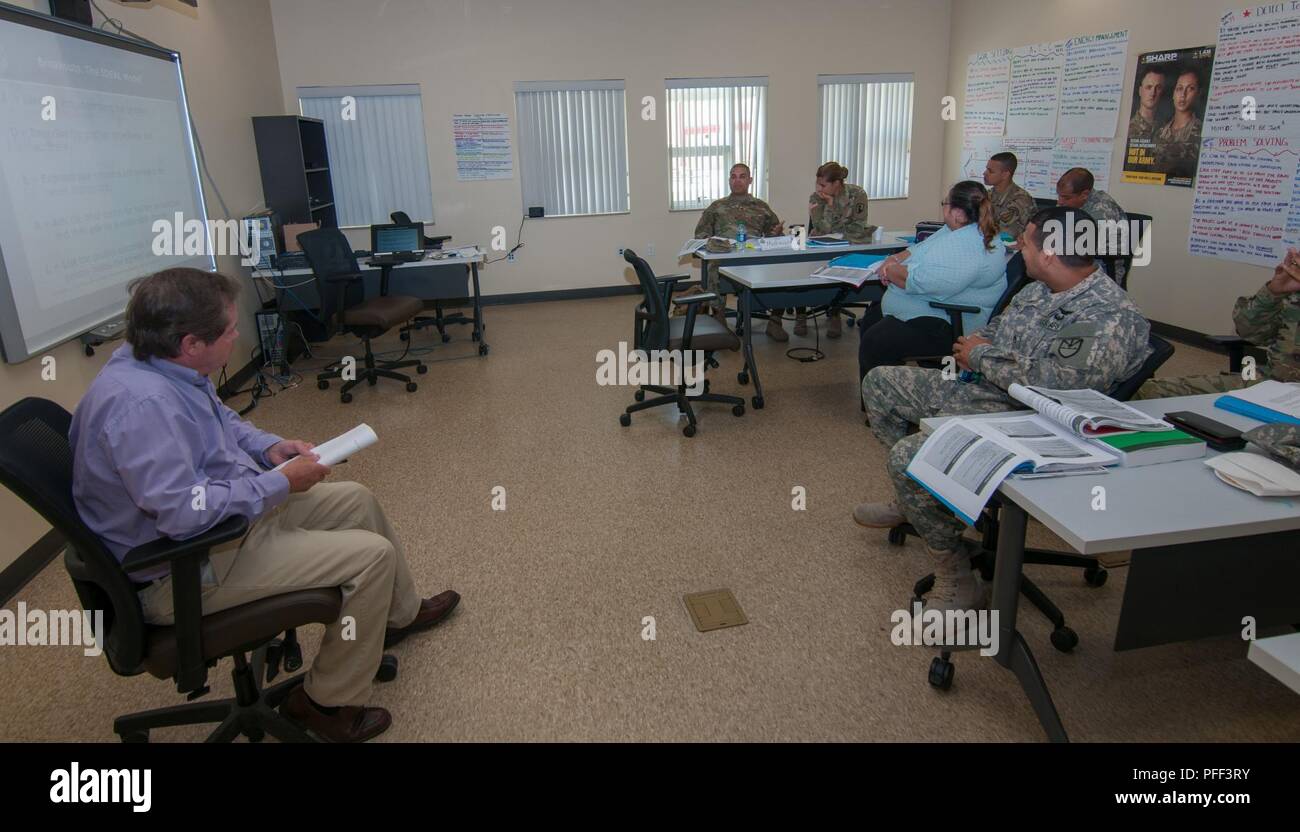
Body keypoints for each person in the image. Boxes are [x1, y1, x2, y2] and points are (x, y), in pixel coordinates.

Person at [70, 268, 460, 742]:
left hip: (220, 523)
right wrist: (280, 486)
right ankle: (323, 705)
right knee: (370, 557)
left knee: (356, 499)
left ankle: (396, 615)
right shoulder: (142, 406)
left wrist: (268, 448)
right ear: (192, 343)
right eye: (230, 330)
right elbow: (182, 513)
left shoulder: (157, 361)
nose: (238, 335)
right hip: (186, 567)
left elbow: (222, 423)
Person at [855, 208, 1152, 616]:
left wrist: (981, 357)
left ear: (1049, 253)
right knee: (881, 384)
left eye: (1025, 243)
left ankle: (955, 573)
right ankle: (917, 498)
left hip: (1037, 421)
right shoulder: (1039, 289)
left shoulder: (1108, 314)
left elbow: (1064, 386)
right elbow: (995, 330)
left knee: (910, 455)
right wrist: (981, 347)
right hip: (991, 392)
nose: (1017, 249)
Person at [857, 180, 1007, 394]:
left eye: (945, 203)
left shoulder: (968, 246)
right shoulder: (953, 230)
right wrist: (894, 258)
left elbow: (920, 282)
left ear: (957, 212)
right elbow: (918, 248)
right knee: (872, 317)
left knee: (877, 341)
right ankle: (879, 399)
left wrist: (889, 270)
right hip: (933, 307)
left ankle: (893, 405)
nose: (942, 207)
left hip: (951, 322)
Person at [1136, 248, 1300, 398]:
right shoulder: (1294, 291)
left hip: (1291, 400)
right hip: (1269, 384)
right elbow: (1250, 333)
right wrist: (1273, 292)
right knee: (1141, 391)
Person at [694, 163, 783, 335]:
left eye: (742, 176)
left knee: (780, 267)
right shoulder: (717, 207)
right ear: (729, 180)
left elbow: (775, 236)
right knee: (713, 266)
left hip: (755, 256)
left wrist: (776, 233)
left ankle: (775, 321)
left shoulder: (761, 206)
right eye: (733, 176)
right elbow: (700, 234)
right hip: (726, 256)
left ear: (750, 180)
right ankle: (719, 319)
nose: (737, 181)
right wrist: (713, 243)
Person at [790, 162, 874, 339]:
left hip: (848, 245)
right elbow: (823, 229)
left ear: (837, 183)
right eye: (817, 184)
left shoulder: (857, 194)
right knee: (802, 272)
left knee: (841, 274)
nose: (818, 188)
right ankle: (801, 313)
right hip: (821, 246)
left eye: (823, 185)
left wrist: (833, 211)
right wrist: (830, 206)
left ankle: (834, 313)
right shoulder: (816, 198)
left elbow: (858, 226)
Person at [1055, 167, 1129, 286]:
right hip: (1076, 260)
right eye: (1059, 196)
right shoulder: (1071, 203)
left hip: (1101, 266)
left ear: (1084, 194)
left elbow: (1083, 247)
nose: (1060, 202)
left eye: (1066, 197)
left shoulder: (1103, 210)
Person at [1153, 67, 1204, 181]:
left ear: (1199, 94)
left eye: (1190, 89)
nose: (1183, 94)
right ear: (1173, 94)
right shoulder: (1159, 133)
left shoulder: (1202, 133)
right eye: (1179, 88)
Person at [982, 152, 1037, 238]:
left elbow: (999, 230)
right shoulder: (988, 194)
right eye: (986, 169)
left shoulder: (1021, 199)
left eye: (990, 171)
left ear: (1005, 175)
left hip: (1010, 247)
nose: (985, 173)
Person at [1128, 67, 1167, 142]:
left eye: (1158, 88)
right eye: (1149, 87)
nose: (1153, 93)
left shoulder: (1167, 128)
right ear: (1140, 91)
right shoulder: (1129, 131)